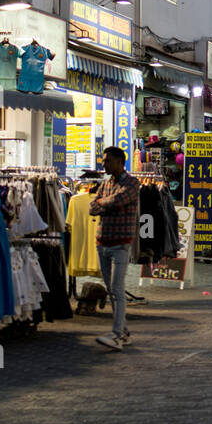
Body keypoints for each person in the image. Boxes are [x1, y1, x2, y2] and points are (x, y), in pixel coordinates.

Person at [90, 146, 141, 351]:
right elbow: (92, 207)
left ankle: (117, 334)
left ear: (120, 162)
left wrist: (104, 203)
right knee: (111, 289)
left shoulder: (132, 183)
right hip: (102, 242)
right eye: (104, 160)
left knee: (118, 288)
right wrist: (105, 203)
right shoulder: (105, 184)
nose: (104, 164)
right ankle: (124, 331)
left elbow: (119, 200)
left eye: (107, 160)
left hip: (121, 243)